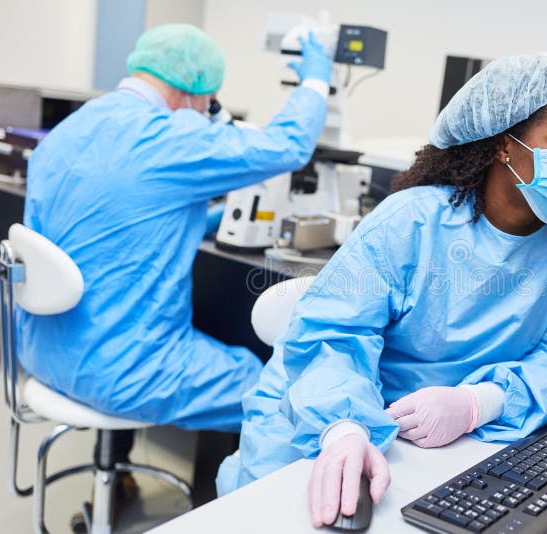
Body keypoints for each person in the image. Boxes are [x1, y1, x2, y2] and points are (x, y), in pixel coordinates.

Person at [216, 52, 547, 527]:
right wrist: (342, 428)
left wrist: (479, 403)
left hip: (440, 442)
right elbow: (332, 337)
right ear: (505, 145)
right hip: (320, 415)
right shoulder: (411, 221)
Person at [17, 24, 331, 449]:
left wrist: (207, 218)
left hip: (40, 352)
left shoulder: (72, 128)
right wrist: (316, 77)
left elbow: (114, 223)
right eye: (208, 103)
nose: (206, 111)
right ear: (190, 91)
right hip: (126, 372)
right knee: (271, 389)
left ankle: (118, 485)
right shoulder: (171, 135)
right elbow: (288, 146)